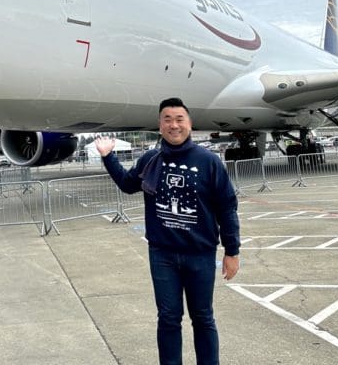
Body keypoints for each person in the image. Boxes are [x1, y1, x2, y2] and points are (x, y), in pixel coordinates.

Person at [95, 97, 240, 365]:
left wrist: (232, 251)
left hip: (200, 255)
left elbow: (227, 208)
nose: (174, 125)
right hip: (162, 255)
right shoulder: (151, 160)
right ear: (160, 126)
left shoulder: (208, 161)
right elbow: (128, 185)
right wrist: (108, 157)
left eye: (179, 119)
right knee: (169, 319)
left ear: (189, 124)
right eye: (167, 120)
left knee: (203, 318)